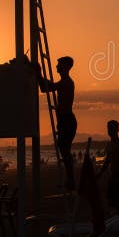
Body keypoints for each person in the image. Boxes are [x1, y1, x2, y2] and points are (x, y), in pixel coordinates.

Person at [37, 56, 77, 190]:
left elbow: (45, 88)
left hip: (66, 120)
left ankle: (71, 181)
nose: (56, 66)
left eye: (59, 64)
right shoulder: (64, 82)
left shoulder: (66, 82)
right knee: (64, 151)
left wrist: (38, 72)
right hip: (65, 120)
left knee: (65, 151)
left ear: (65, 67)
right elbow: (48, 86)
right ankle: (70, 180)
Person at [97, 120, 119, 214]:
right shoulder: (109, 145)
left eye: (112, 128)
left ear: (117, 130)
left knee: (117, 204)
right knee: (111, 203)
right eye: (108, 128)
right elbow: (107, 162)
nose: (110, 131)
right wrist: (99, 175)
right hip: (114, 176)